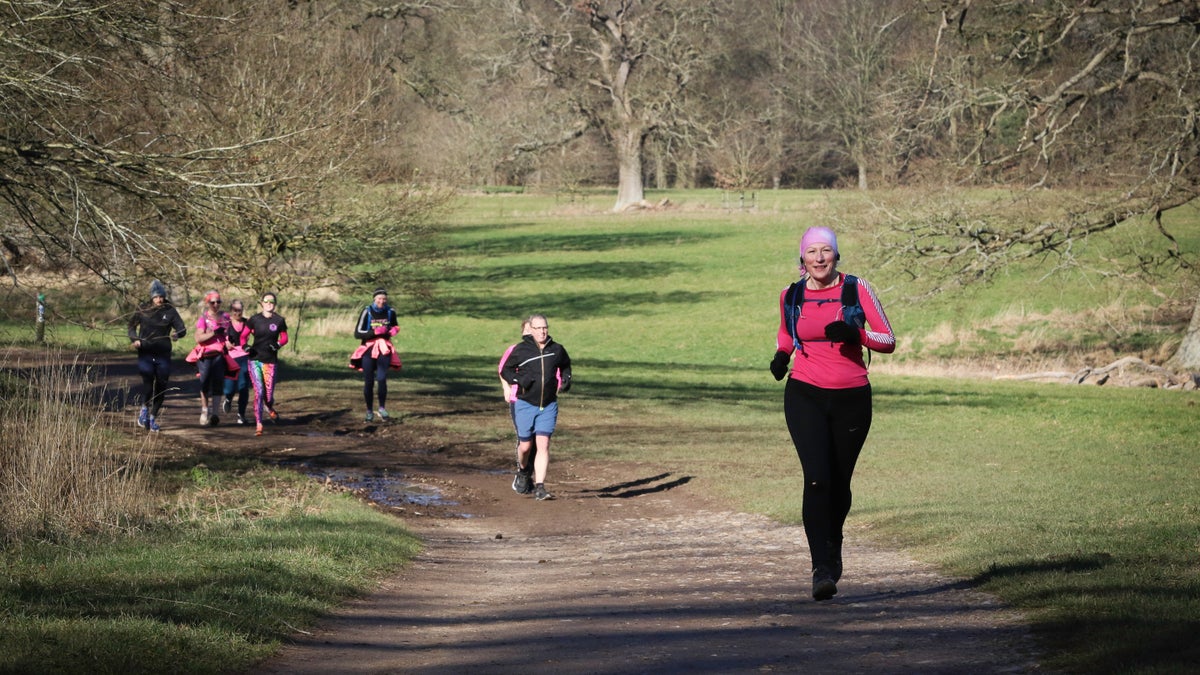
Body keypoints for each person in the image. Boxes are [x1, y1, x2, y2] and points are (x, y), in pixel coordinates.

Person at [770, 226, 895, 601]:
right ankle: (820, 567)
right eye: (813, 252)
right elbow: (787, 332)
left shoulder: (857, 289)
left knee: (839, 482)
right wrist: (781, 355)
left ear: (836, 255)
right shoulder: (791, 294)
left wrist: (856, 335)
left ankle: (833, 539)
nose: (820, 258)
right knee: (816, 479)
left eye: (827, 251)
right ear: (803, 258)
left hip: (851, 395)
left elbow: (888, 340)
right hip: (804, 391)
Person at [501, 313, 572, 501]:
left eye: (545, 327)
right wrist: (518, 380)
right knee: (525, 446)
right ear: (530, 329)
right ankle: (523, 471)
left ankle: (540, 487)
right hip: (525, 403)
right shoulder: (520, 350)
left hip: (548, 405)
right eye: (538, 328)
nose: (542, 331)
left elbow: (566, 365)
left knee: (544, 444)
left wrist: (566, 379)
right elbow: (504, 370)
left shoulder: (557, 349)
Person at [127, 279, 186, 432]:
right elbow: (131, 326)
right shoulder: (143, 309)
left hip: (163, 354)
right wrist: (135, 339)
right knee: (148, 384)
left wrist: (177, 334)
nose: (159, 299)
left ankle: (153, 418)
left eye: (161, 296)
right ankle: (144, 409)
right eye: (156, 297)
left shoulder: (170, 310)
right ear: (152, 297)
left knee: (161, 386)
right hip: (146, 352)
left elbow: (182, 329)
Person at [186, 289, 236, 427]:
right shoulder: (203, 318)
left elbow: (228, 336)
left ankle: (215, 414)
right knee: (205, 382)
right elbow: (198, 338)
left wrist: (230, 343)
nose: (216, 304)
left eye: (218, 301)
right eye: (213, 302)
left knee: (218, 383)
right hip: (205, 356)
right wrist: (214, 333)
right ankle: (204, 411)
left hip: (219, 355)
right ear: (207, 302)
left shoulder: (225, 317)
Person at [350, 287, 400, 422]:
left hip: (384, 348)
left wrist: (394, 330)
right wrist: (374, 332)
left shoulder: (391, 312)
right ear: (374, 299)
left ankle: (382, 409)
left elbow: (395, 326)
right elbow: (357, 333)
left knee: (382, 378)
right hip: (368, 349)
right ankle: (369, 411)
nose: (382, 302)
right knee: (369, 381)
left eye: (384, 299)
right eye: (379, 299)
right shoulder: (367, 312)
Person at [246, 292, 289, 437]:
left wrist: (277, 345)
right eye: (266, 301)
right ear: (262, 303)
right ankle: (259, 424)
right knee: (259, 392)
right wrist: (245, 346)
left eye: (272, 301)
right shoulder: (254, 319)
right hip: (255, 360)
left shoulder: (279, 320)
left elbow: (284, 338)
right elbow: (243, 335)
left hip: (270, 361)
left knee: (268, 396)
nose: (269, 303)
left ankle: (269, 407)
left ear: (275, 304)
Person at [500, 320, 534, 494]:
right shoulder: (515, 350)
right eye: (526, 330)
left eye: (532, 329)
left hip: (542, 402)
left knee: (538, 441)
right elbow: (502, 369)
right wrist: (506, 388)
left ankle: (531, 478)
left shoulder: (547, 352)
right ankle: (523, 472)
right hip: (517, 399)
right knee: (525, 441)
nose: (529, 333)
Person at [221, 299, 252, 425]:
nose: (237, 313)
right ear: (231, 310)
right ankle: (228, 398)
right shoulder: (226, 324)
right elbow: (219, 337)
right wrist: (225, 342)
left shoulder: (247, 323)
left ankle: (241, 414)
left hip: (244, 355)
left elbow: (259, 333)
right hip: (230, 357)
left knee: (243, 386)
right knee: (229, 387)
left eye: (239, 310)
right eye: (235, 310)